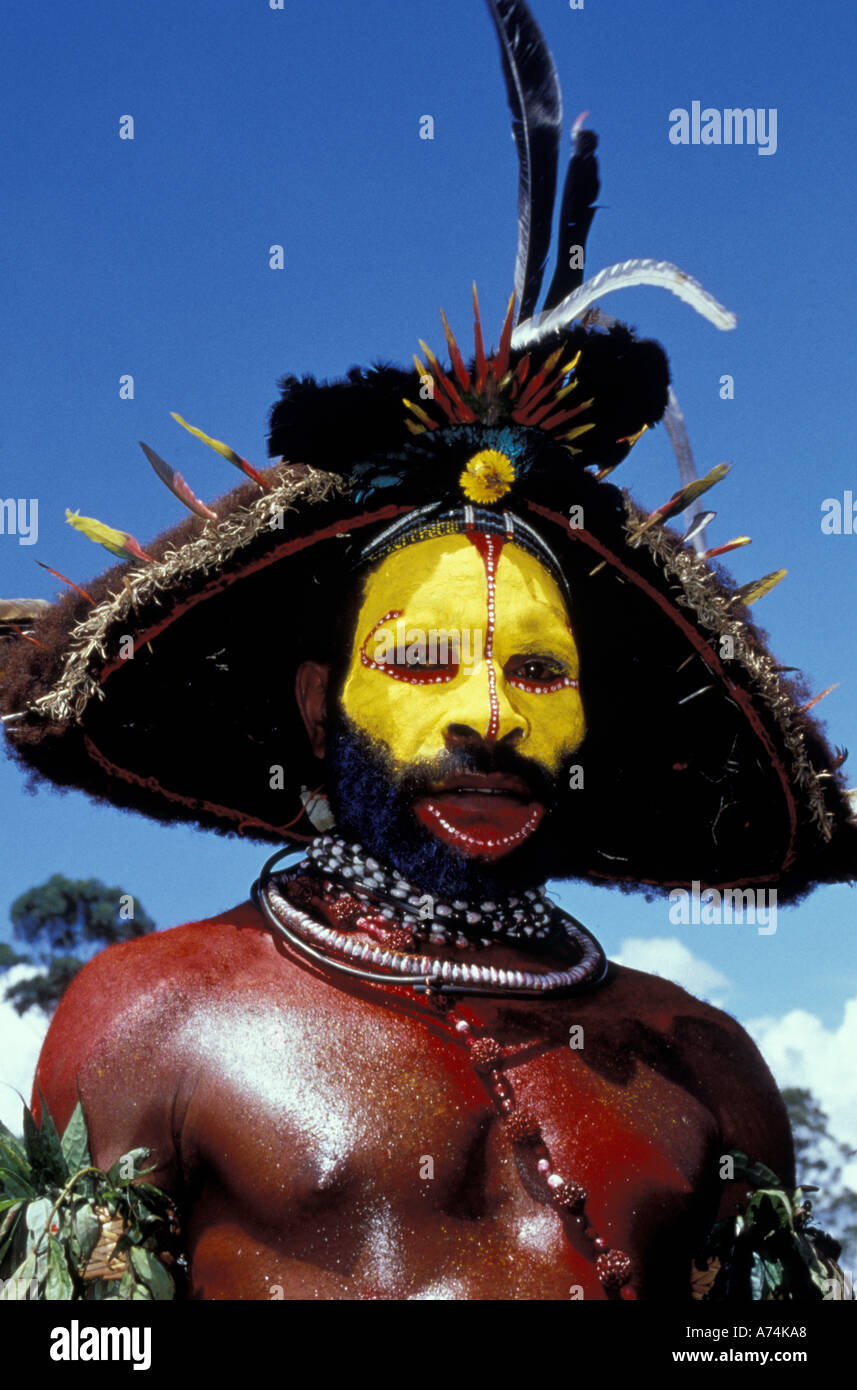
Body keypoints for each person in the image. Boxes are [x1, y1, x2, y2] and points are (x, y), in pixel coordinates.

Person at [2, 0, 854, 1301]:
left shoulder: (702, 1059)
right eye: (420, 663)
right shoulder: (151, 1016)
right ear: (314, 701)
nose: (488, 716)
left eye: (537, 672)